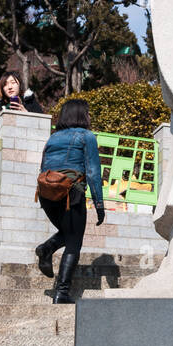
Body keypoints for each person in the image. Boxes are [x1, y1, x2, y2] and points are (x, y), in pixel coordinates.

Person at [36, 98, 105, 304]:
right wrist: (99, 205)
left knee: (68, 233)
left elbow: (43, 167)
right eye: (88, 112)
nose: (90, 116)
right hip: (70, 193)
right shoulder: (86, 136)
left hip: (47, 193)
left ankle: (47, 248)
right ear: (81, 114)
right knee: (74, 241)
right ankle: (62, 293)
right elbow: (92, 171)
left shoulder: (52, 138)